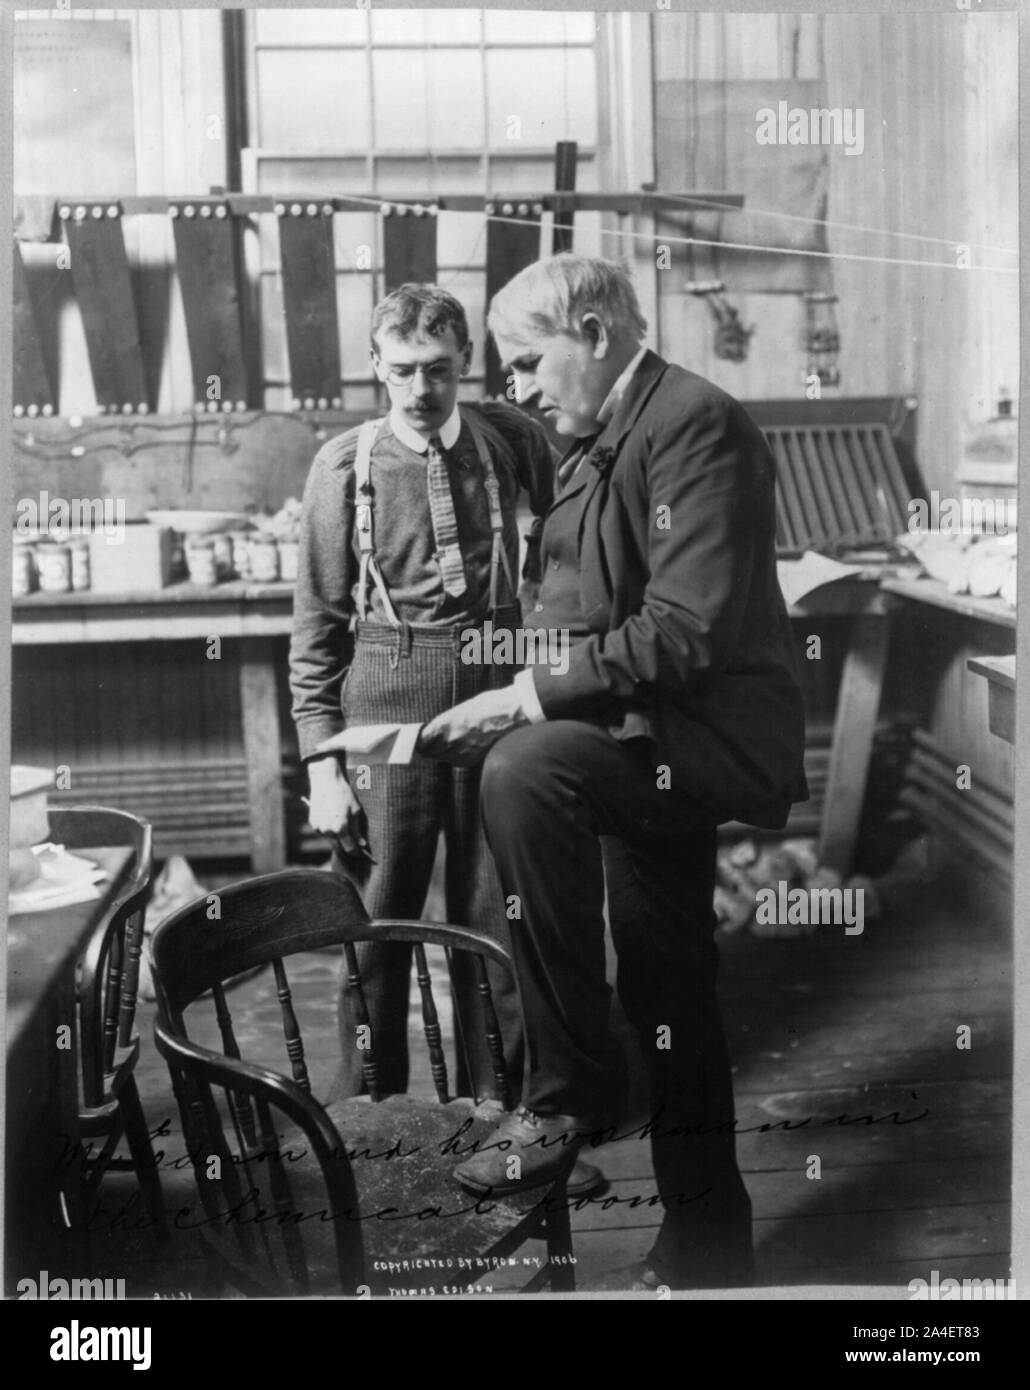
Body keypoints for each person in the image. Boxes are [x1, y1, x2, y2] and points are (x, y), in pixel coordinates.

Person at [419, 254, 809, 1289]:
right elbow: (580, 615)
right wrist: (498, 678)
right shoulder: (595, 443)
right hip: (643, 738)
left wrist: (520, 699)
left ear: (593, 332)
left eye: (530, 362)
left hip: (701, 737)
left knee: (525, 767)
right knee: (667, 976)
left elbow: (682, 631)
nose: (521, 388)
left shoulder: (693, 422)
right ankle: (708, 1243)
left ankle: (572, 1091)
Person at [288, 282, 556, 1110]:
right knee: (376, 918)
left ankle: (502, 1107)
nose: (420, 390)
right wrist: (323, 768)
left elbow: (563, 559)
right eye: (401, 371)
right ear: (376, 367)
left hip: (496, 689)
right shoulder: (345, 464)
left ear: (466, 364)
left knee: (495, 912)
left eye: (438, 370)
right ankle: (371, 1109)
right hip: (383, 701)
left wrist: (544, 674)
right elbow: (317, 631)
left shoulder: (513, 440)